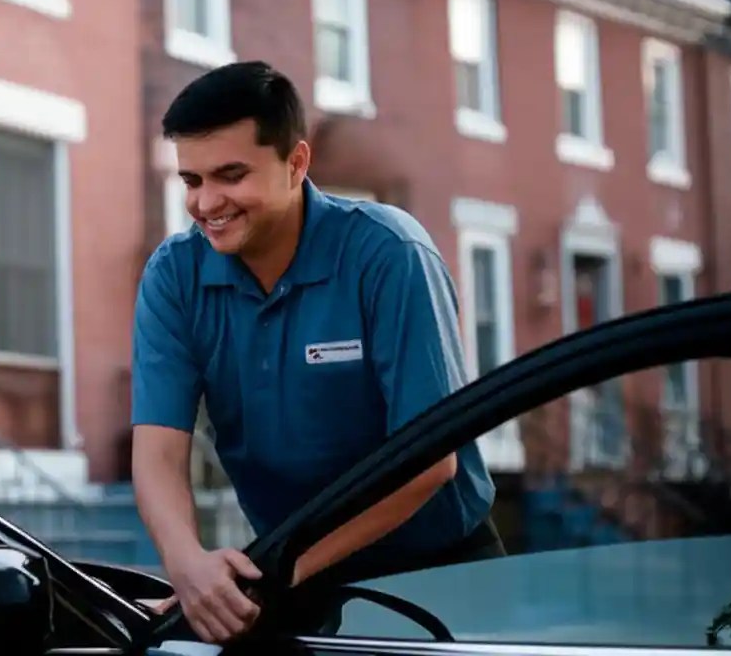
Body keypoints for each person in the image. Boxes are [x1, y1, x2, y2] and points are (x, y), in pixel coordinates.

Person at [130, 61, 503, 644]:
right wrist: (190, 567)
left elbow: (431, 463)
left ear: (296, 163)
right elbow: (156, 453)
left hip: (440, 574)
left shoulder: (389, 254)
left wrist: (278, 571)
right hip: (291, 575)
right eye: (192, 181)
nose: (206, 203)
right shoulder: (174, 277)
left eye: (230, 175)